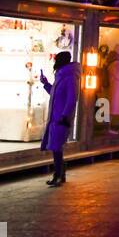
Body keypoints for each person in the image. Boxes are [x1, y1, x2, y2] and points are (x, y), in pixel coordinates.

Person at [38, 51, 78, 187]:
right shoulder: (61, 76)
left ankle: (58, 175)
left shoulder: (69, 77)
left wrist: (64, 116)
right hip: (56, 117)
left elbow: (72, 99)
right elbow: (55, 94)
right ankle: (60, 174)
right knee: (56, 147)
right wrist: (46, 84)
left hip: (61, 118)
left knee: (56, 146)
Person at [107, 52, 119, 126]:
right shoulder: (117, 64)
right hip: (117, 89)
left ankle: (108, 127)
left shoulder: (110, 64)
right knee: (113, 109)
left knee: (111, 108)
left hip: (112, 88)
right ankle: (109, 128)